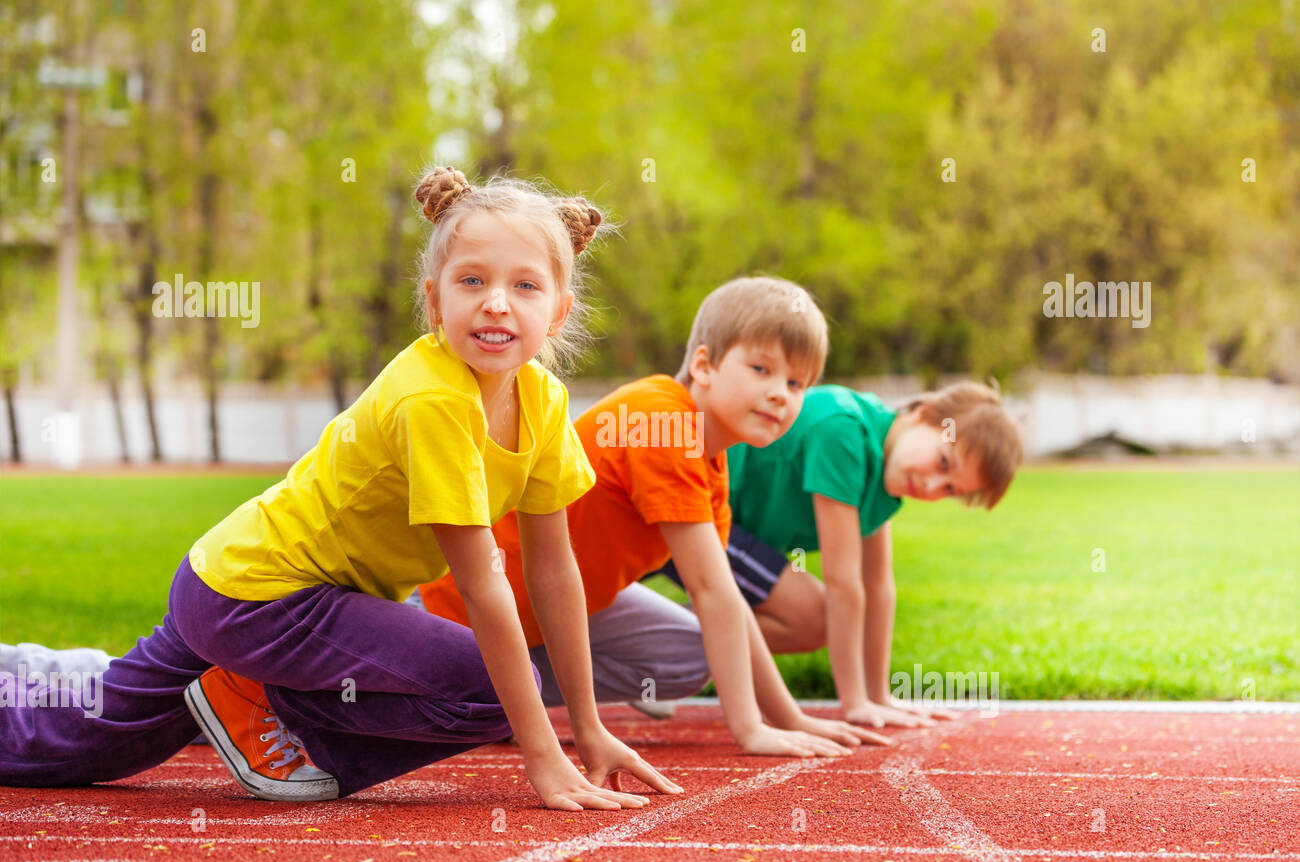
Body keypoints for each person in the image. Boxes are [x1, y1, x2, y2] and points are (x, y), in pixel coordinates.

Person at [0, 166, 679, 811]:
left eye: (525, 286)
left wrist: (586, 729)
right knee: (499, 691)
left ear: (559, 312)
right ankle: (257, 700)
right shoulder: (435, 400)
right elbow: (483, 584)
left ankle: (34, 672)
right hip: (258, 598)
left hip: (261, 590)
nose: (497, 302)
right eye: (472, 280)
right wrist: (542, 750)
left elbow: (553, 568)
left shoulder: (544, 399)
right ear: (434, 297)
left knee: (85, 741)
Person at [418, 277, 892, 756]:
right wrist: (750, 730)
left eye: (796, 384)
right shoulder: (662, 419)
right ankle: (485, 692)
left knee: (688, 656)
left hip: (559, 611)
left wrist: (791, 717)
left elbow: (726, 596)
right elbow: (710, 592)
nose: (780, 395)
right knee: (700, 635)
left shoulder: (713, 455)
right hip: (462, 609)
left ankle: (514, 694)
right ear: (704, 366)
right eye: (761, 369)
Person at [656, 380, 1024, 728]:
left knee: (811, 620)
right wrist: (855, 702)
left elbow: (878, 585)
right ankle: (651, 652)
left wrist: (880, 695)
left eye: (949, 490)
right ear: (923, 414)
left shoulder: (886, 472)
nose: (931, 486)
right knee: (815, 615)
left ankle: (651, 652)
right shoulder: (845, 431)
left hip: (718, 523)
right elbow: (843, 582)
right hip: (685, 504)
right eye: (944, 462)